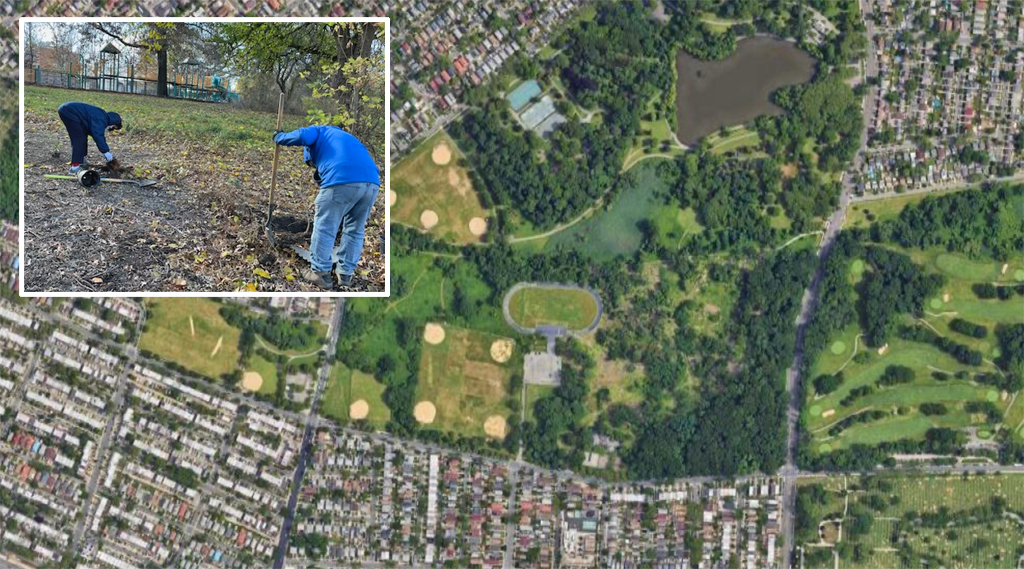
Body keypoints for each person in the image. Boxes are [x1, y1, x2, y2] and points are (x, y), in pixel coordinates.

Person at [274, 125, 380, 290]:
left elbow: (303, 136)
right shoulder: (348, 138)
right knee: (355, 229)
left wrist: (279, 137)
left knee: (325, 227)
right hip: (372, 183)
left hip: (342, 178)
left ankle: (320, 273)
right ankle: (345, 274)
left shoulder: (318, 130)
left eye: (311, 163)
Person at [57, 102, 123, 174]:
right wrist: (105, 151)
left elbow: (92, 131)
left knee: (82, 136)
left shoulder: (102, 116)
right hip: (69, 112)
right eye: (113, 128)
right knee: (79, 138)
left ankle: (81, 160)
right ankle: (75, 168)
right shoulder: (101, 120)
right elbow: (97, 135)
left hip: (68, 109)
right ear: (113, 124)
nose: (111, 129)